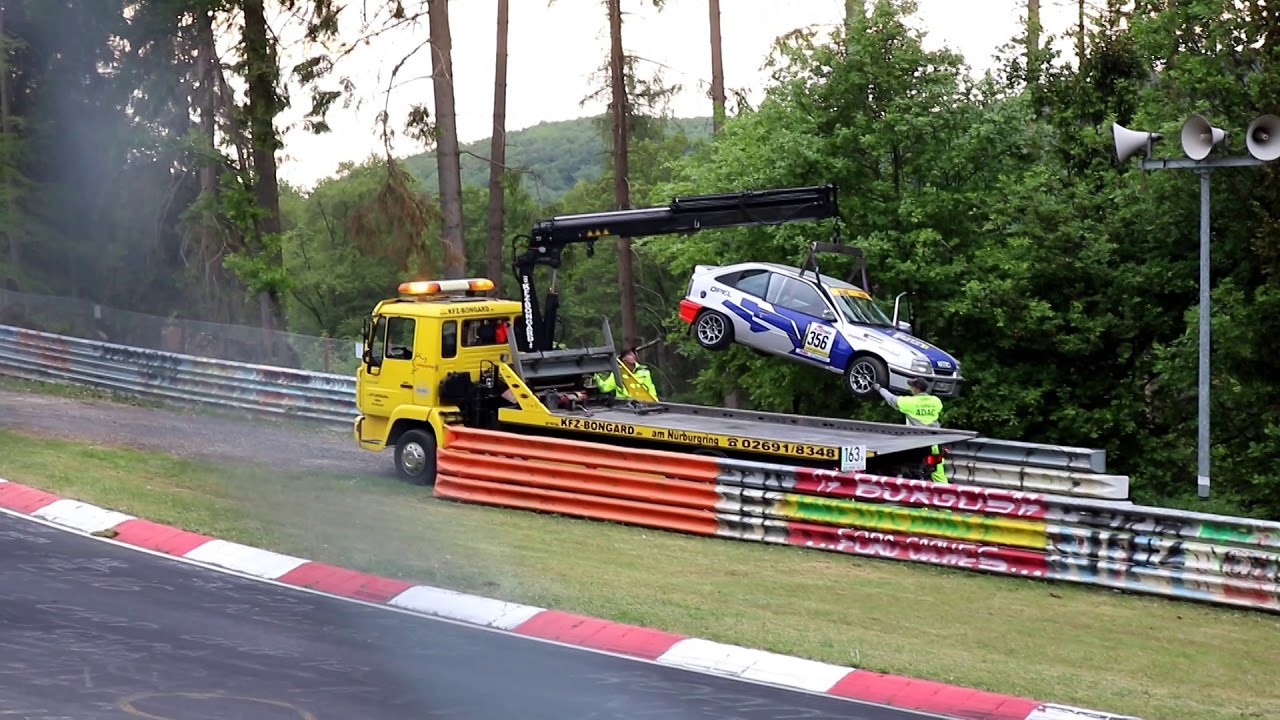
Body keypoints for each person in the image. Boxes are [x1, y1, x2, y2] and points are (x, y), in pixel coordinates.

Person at [873, 377, 947, 483]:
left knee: (912, 471)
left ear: (916, 389)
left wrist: (880, 389)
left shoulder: (909, 402)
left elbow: (891, 399)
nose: (910, 388)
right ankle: (946, 493)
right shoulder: (936, 401)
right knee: (938, 473)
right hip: (935, 443)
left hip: (916, 444)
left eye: (911, 386)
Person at [595, 347, 659, 401]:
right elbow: (605, 388)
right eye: (630, 354)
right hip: (625, 405)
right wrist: (596, 377)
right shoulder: (618, 373)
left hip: (644, 403)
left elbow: (651, 388)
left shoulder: (644, 371)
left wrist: (656, 402)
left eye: (633, 353)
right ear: (624, 359)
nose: (633, 356)